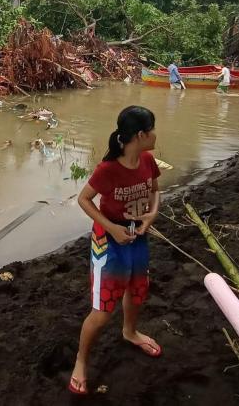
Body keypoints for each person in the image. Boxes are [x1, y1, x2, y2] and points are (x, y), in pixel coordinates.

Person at [69, 106, 162, 395]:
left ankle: (130, 332)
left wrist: (151, 215)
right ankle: (81, 362)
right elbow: (83, 200)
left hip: (137, 236)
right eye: (153, 129)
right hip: (108, 242)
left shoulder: (147, 160)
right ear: (140, 134)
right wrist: (111, 227)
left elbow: (156, 190)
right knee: (103, 310)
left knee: (137, 291)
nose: (156, 134)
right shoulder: (108, 169)